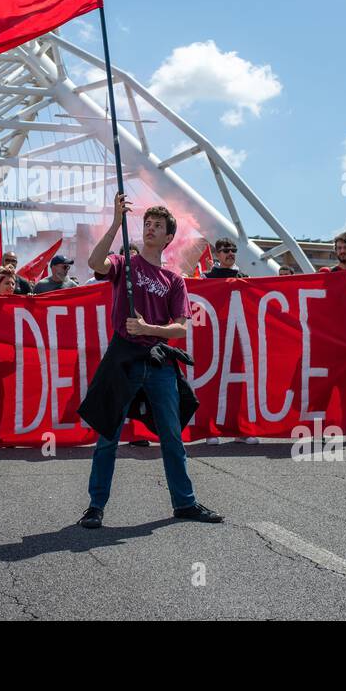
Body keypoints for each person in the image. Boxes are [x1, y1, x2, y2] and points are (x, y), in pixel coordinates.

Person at [76, 192, 222, 528]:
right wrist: (115, 222)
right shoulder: (124, 265)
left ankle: (184, 503)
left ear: (169, 237)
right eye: (147, 224)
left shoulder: (173, 280)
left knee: (171, 435)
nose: (150, 228)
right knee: (108, 435)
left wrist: (146, 327)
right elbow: (96, 263)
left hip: (158, 364)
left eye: (158, 225)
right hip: (122, 359)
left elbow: (179, 330)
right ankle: (95, 506)